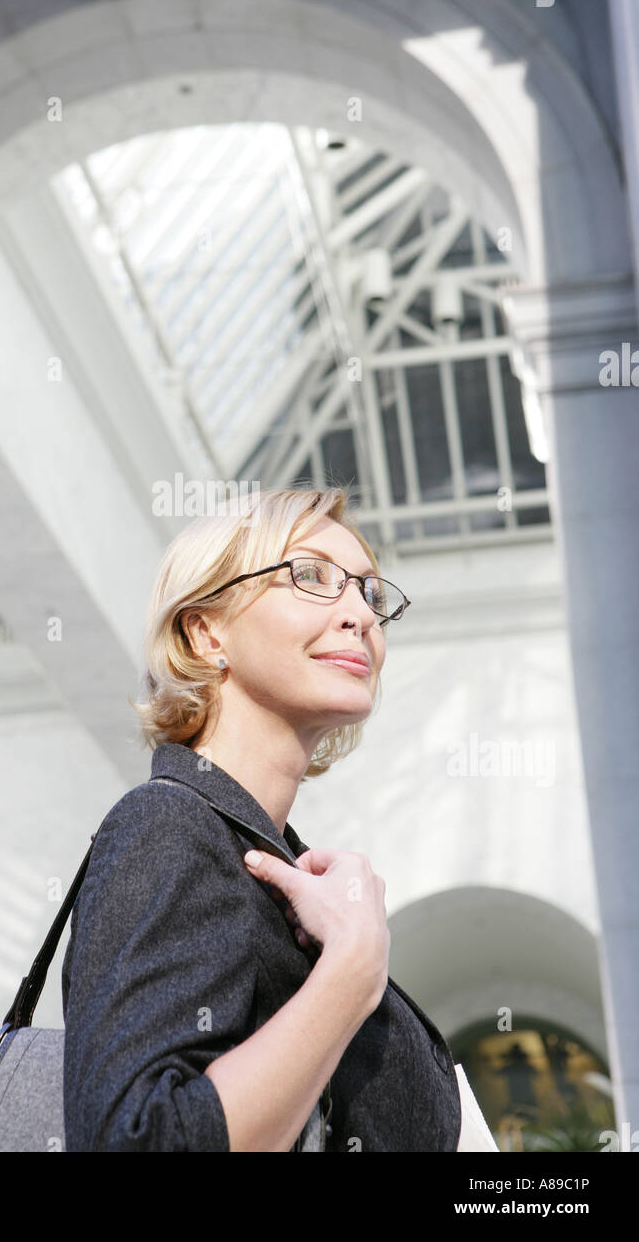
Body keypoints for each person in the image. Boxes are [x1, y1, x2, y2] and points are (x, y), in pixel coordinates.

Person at [61, 485, 463, 1151]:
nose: (358, 615)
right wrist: (351, 973)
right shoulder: (166, 827)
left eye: (369, 593)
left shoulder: (280, 873)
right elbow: (133, 1141)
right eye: (310, 576)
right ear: (205, 629)